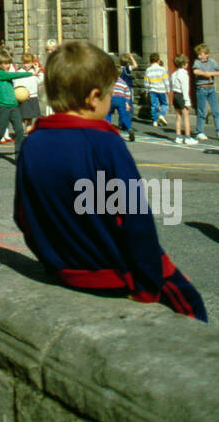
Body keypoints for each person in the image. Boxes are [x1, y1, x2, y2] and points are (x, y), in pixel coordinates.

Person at [14, 41, 207, 321]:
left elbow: (23, 214)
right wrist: (147, 284)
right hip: (111, 271)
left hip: (61, 267)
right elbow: (134, 219)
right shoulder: (105, 143)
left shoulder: (32, 142)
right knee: (190, 303)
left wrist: (51, 259)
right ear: (94, 97)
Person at [0, 50, 37, 156]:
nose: (8, 66)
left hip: (14, 106)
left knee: (19, 130)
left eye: (9, 63)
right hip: (3, 107)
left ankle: (18, 154)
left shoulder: (6, 74)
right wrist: (31, 73)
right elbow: (15, 75)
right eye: (6, 63)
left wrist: (24, 93)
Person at [192, 43, 219, 140]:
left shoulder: (212, 61)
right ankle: (200, 132)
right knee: (202, 111)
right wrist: (204, 74)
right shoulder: (197, 62)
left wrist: (211, 73)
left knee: (216, 111)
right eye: (198, 55)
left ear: (207, 54)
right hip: (201, 88)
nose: (200, 56)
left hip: (211, 88)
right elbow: (195, 71)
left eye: (201, 54)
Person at [108, 56, 135, 143]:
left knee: (108, 114)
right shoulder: (123, 82)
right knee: (124, 115)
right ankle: (130, 129)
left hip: (111, 98)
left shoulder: (110, 81)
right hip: (121, 99)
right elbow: (127, 92)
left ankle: (107, 130)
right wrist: (127, 102)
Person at [170, 54, 194, 145]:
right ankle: (188, 137)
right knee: (186, 117)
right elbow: (185, 89)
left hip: (175, 95)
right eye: (186, 63)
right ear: (184, 64)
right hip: (181, 96)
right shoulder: (184, 75)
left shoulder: (173, 74)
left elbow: (171, 85)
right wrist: (187, 101)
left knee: (178, 117)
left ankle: (178, 136)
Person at [18, 52, 42, 134]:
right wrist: (20, 93)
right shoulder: (20, 72)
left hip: (32, 97)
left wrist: (37, 70)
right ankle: (20, 133)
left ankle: (28, 133)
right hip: (23, 97)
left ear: (32, 63)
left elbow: (41, 80)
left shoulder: (34, 72)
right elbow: (16, 83)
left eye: (28, 63)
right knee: (22, 117)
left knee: (30, 118)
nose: (26, 65)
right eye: (24, 62)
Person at [144, 53, 168, 127]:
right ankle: (162, 115)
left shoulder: (148, 70)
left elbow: (146, 82)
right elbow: (165, 80)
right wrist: (168, 89)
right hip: (161, 90)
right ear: (158, 60)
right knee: (164, 103)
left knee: (154, 105)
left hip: (152, 90)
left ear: (150, 61)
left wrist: (147, 91)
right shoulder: (163, 69)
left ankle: (154, 121)